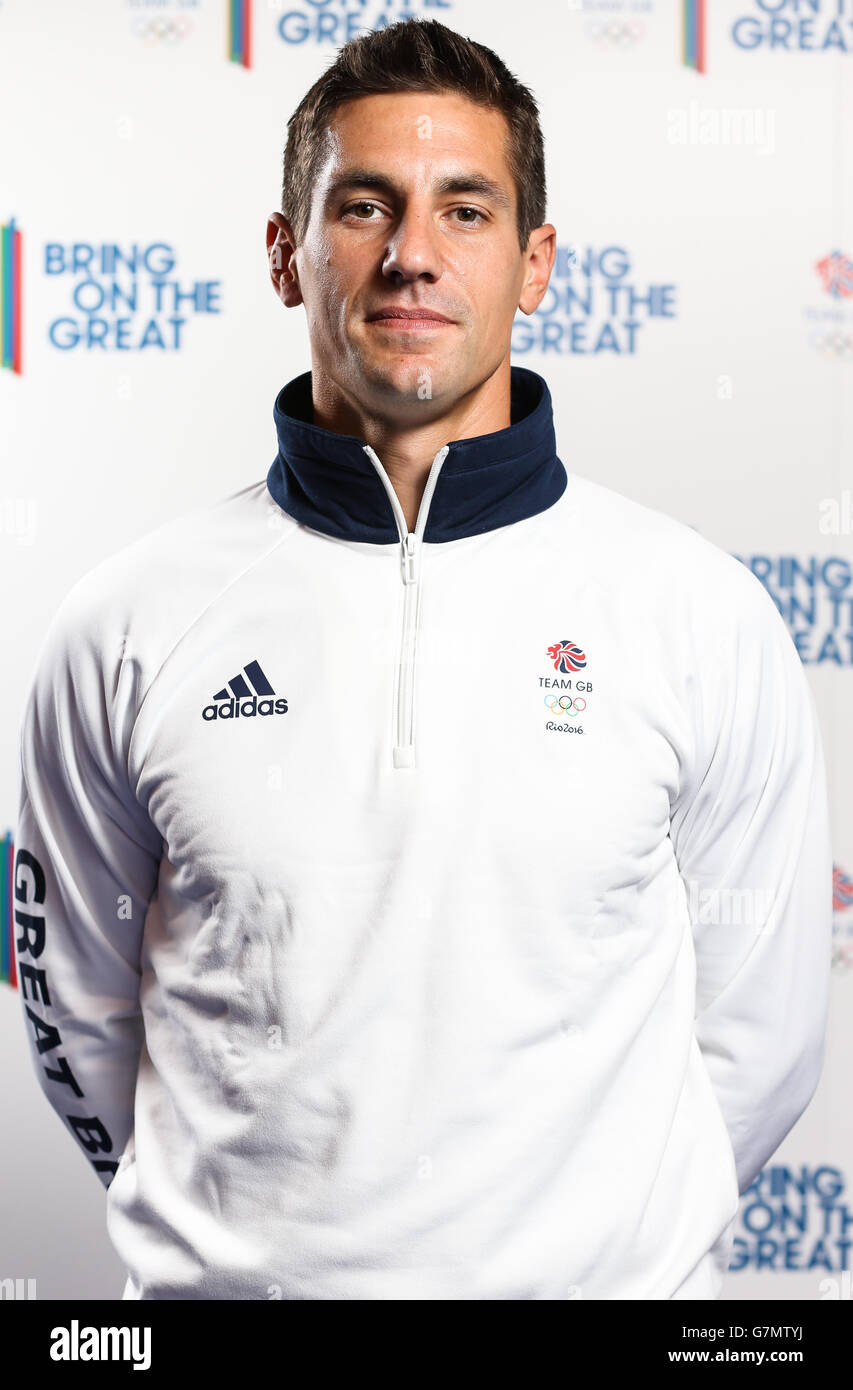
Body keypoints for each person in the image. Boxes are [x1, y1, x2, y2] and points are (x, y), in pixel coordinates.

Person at [14, 18, 832, 1301]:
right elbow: (80, 1016)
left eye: (465, 210)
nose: (410, 257)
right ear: (286, 256)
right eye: (363, 206)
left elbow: (761, 1036)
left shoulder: (697, 613)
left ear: (535, 263)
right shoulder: (124, 623)